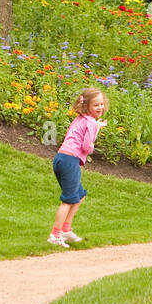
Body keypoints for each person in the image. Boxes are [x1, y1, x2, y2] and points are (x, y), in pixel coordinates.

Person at [49, 88, 109, 247]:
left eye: (101, 104)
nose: (100, 107)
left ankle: (66, 229)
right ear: (87, 105)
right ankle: (55, 235)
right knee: (68, 200)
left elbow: (86, 127)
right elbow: (86, 146)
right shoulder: (90, 122)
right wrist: (93, 143)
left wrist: (97, 126)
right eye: (96, 105)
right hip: (71, 160)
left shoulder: (82, 118)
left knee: (79, 195)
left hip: (61, 159)